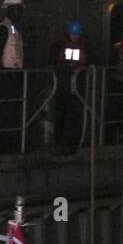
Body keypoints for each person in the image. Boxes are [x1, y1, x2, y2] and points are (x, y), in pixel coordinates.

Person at [0, 0, 26, 153]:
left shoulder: (14, 29)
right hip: (6, 74)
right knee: (6, 111)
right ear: (10, 9)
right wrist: (1, 72)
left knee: (12, 110)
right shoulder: (4, 28)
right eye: (17, 9)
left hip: (14, 74)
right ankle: (3, 145)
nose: (19, 12)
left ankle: (11, 143)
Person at [49, 20, 89, 149]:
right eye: (72, 34)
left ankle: (73, 144)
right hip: (62, 86)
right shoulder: (59, 46)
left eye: (76, 35)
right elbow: (53, 61)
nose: (74, 37)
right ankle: (58, 143)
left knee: (75, 117)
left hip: (77, 87)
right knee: (60, 115)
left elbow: (89, 61)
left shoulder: (84, 46)